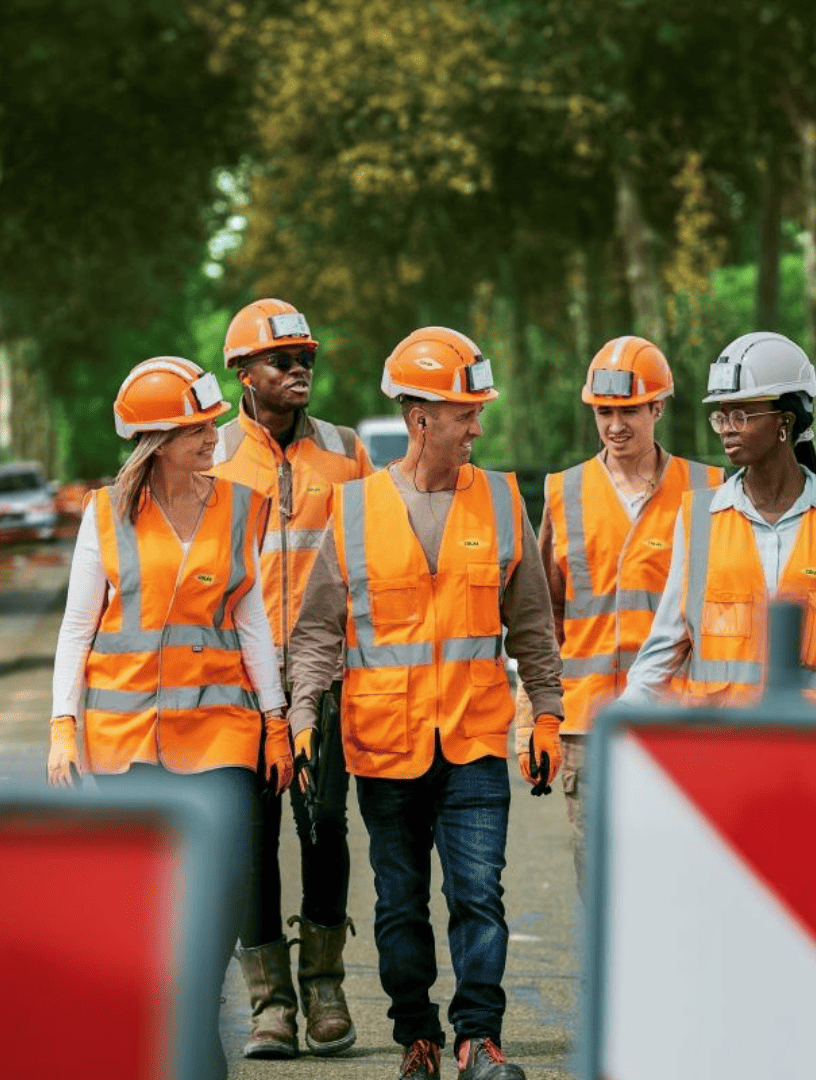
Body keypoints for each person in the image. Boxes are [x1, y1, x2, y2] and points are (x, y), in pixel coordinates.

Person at [285, 326, 564, 1080]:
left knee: (479, 896)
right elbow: (315, 634)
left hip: (473, 738)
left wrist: (546, 715)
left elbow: (532, 628)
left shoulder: (504, 502)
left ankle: (479, 1038)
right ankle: (420, 1037)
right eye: (465, 412)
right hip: (384, 745)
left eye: (478, 412)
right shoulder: (352, 513)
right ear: (420, 420)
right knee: (401, 908)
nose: (478, 426)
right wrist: (303, 720)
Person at [46, 355, 294, 1078]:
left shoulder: (241, 507)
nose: (213, 436)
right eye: (196, 429)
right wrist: (63, 724)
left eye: (213, 423)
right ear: (156, 441)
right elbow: (76, 628)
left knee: (225, 882)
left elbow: (250, 618)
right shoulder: (105, 515)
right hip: (128, 739)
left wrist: (276, 718)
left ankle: (192, 1011)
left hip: (220, 729)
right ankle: (165, 1028)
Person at [209, 298, 373, 1058]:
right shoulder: (206, 458)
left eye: (308, 357)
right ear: (242, 374)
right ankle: (269, 1002)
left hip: (326, 679)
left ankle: (325, 986)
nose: (300, 370)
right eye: (282, 361)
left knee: (325, 825)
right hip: (237, 683)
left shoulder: (345, 452)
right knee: (250, 840)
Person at [619, 331, 816, 711]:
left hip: (815, 751)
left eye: (741, 414)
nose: (727, 426)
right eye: (721, 415)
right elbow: (666, 643)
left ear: (785, 422)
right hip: (723, 748)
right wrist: (625, 714)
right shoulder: (699, 520)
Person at [536, 336, 722, 889]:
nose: (615, 426)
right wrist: (536, 719)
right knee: (598, 879)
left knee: (674, 875)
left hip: (679, 722)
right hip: (589, 728)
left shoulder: (706, 492)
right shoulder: (563, 493)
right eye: (605, 413)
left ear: (657, 408)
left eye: (628, 412)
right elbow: (545, 621)